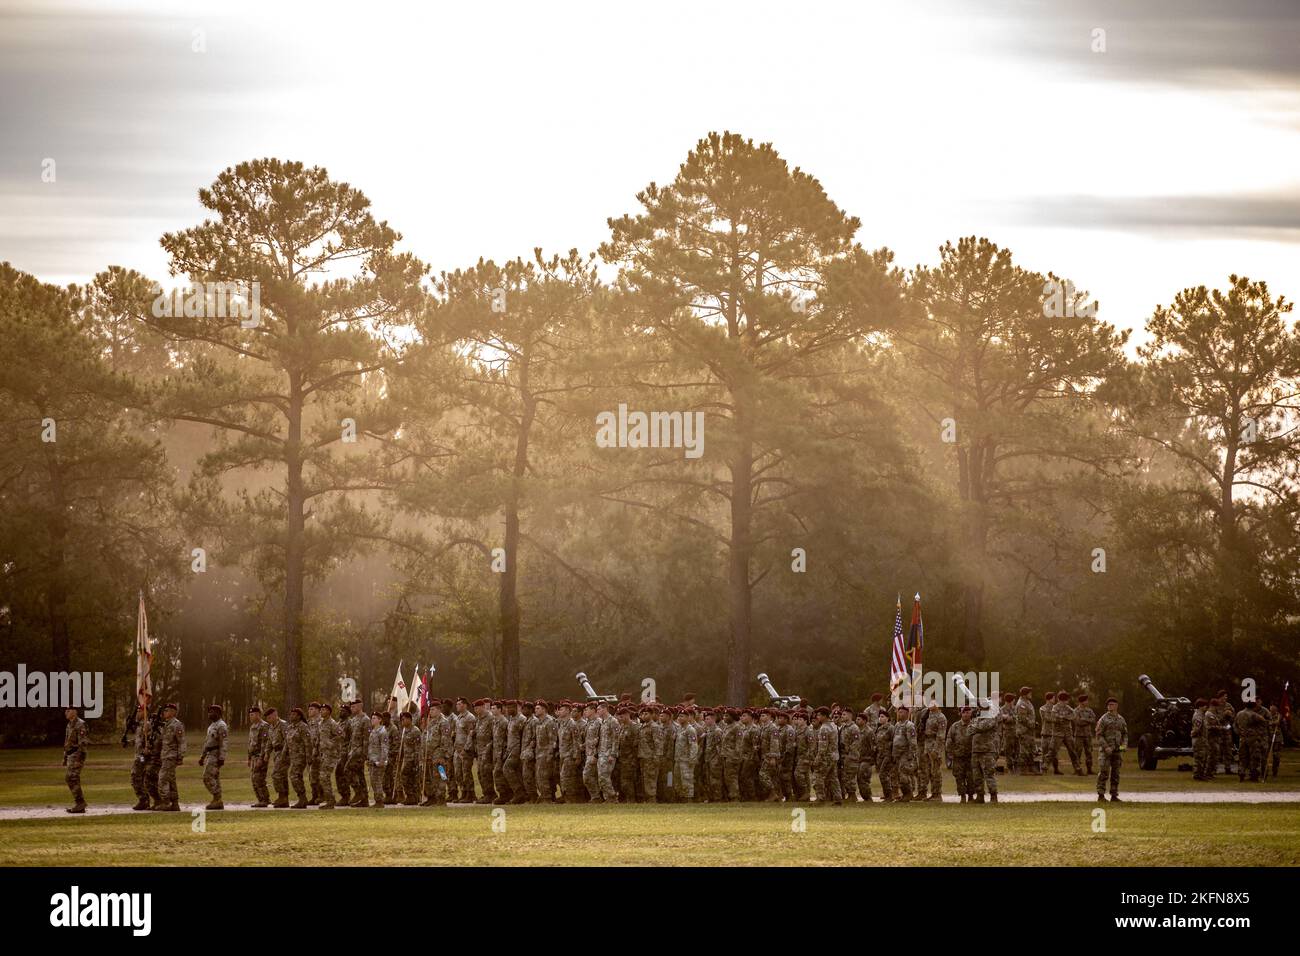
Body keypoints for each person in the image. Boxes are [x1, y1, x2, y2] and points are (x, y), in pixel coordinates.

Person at [1095, 697, 1127, 802]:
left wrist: (1123, 746)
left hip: (1117, 751)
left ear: (1116, 706)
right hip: (1106, 751)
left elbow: (1125, 734)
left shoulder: (1121, 719)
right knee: (1104, 772)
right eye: (1109, 705)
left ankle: (1114, 795)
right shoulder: (1103, 719)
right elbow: (1099, 735)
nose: (1110, 706)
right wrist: (1106, 747)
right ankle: (1101, 795)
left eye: (1112, 704)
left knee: (1116, 773)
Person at [156, 702, 185, 811]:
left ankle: (166, 802)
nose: (164, 712)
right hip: (165, 756)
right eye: (164, 710)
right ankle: (175, 803)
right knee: (171, 780)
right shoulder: (166, 724)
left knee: (162, 779)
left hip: (171, 756)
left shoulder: (176, 724)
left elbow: (181, 741)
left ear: (173, 712)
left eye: (167, 710)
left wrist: (180, 756)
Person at [199, 703, 228, 810]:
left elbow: (223, 742)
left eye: (212, 712)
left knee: (207, 777)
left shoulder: (221, 725)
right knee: (214, 777)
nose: (210, 714)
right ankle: (217, 800)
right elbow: (207, 742)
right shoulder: (211, 726)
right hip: (209, 754)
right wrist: (202, 757)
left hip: (216, 754)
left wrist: (222, 757)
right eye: (209, 712)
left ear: (219, 713)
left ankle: (217, 798)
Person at [970, 701, 998, 803]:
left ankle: (993, 796)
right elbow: (969, 731)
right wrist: (974, 722)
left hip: (987, 750)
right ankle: (980, 796)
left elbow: (981, 727)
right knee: (977, 776)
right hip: (976, 750)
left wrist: (974, 722)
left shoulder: (991, 718)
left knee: (989, 774)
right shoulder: (977, 718)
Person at [63, 706, 88, 813]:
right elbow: (67, 742)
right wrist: (65, 756)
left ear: (74, 711)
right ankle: (79, 803)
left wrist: (78, 759)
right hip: (70, 755)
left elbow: (83, 743)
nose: (66, 712)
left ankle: (80, 803)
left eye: (68, 710)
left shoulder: (80, 724)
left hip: (77, 754)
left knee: (71, 777)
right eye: (66, 710)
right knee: (71, 778)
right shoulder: (69, 724)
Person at [317, 702, 342, 809]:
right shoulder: (321, 723)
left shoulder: (332, 723)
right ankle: (329, 800)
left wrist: (331, 744)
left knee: (324, 776)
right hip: (324, 754)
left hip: (331, 755)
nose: (321, 711)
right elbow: (320, 738)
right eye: (321, 710)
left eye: (323, 710)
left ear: (329, 711)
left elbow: (341, 735)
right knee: (323, 777)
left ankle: (330, 801)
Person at [947, 705, 974, 802]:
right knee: (959, 777)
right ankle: (962, 796)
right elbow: (949, 740)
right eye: (964, 712)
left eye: (968, 712)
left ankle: (971, 796)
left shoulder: (974, 725)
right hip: (958, 756)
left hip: (971, 756)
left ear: (971, 713)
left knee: (971, 777)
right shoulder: (955, 726)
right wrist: (950, 753)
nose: (966, 714)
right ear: (961, 714)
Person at [129, 707, 155, 811]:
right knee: (139, 777)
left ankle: (144, 799)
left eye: (140, 711)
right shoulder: (140, 726)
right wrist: (129, 741)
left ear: (145, 712)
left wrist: (148, 748)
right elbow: (138, 740)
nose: (137, 713)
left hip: (142, 757)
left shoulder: (147, 724)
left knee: (135, 776)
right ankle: (144, 800)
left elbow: (151, 739)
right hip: (139, 755)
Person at [921, 702, 947, 801]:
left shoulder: (941, 717)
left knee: (936, 770)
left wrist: (936, 750)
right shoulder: (927, 715)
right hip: (927, 744)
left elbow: (941, 735)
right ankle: (932, 793)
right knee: (928, 770)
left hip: (935, 745)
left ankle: (937, 794)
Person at [247, 706, 271, 806]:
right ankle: (261, 799)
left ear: (258, 715)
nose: (251, 717)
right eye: (250, 715)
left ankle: (264, 799)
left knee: (259, 778)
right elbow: (250, 743)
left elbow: (264, 744)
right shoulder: (252, 727)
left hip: (260, 757)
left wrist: (261, 758)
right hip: (253, 757)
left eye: (252, 715)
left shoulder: (264, 726)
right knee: (254, 779)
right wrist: (248, 758)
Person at [367, 711, 388, 807]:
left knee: (377, 781)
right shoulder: (373, 731)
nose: (372, 720)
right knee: (373, 780)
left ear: (380, 720)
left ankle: (379, 801)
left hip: (379, 761)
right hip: (372, 760)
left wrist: (382, 760)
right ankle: (377, 800)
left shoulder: (382, 732)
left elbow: (384, 747)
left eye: (375, 718)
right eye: (372, 718)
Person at [1073, 694, 1096, 776]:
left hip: (1088, 735)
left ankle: (1089, 769)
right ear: (1081, 702)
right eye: (1086, 700)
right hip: (1079, 735)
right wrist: (1087, 720)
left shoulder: (1089, 710)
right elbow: (1078, 722)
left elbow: (1093, 720)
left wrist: (1084, 719)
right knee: (1077, 752)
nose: (1087, 702)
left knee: (1089, 752)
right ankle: (1077, 769)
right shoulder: (1075, 711)